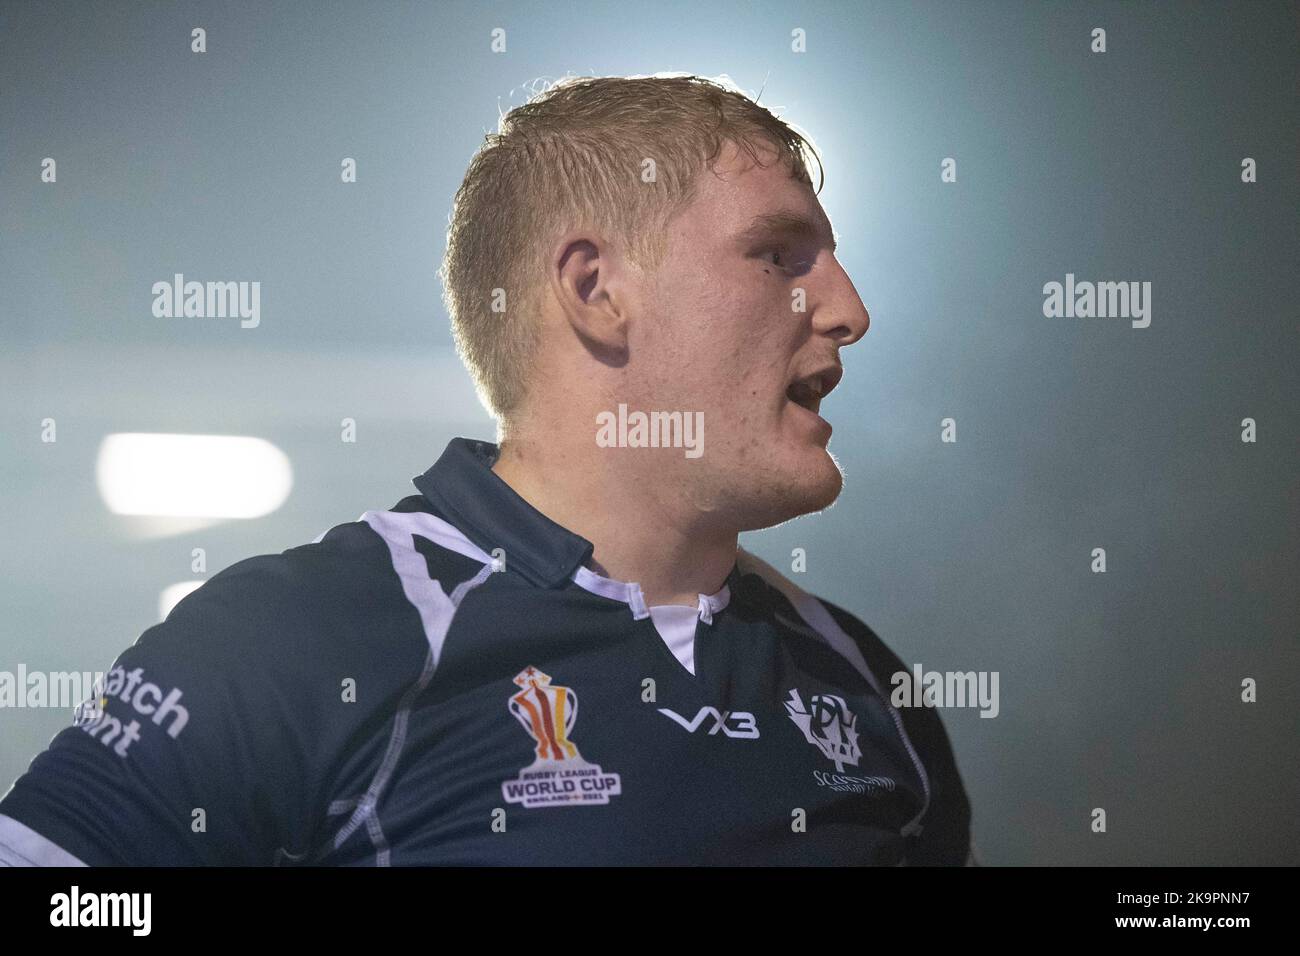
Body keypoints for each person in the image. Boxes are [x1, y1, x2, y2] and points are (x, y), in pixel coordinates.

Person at [0, 73, 973, 866]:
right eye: (777, 255)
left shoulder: (859, 672)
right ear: (595, 290)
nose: (847, 308)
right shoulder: (293, 638)